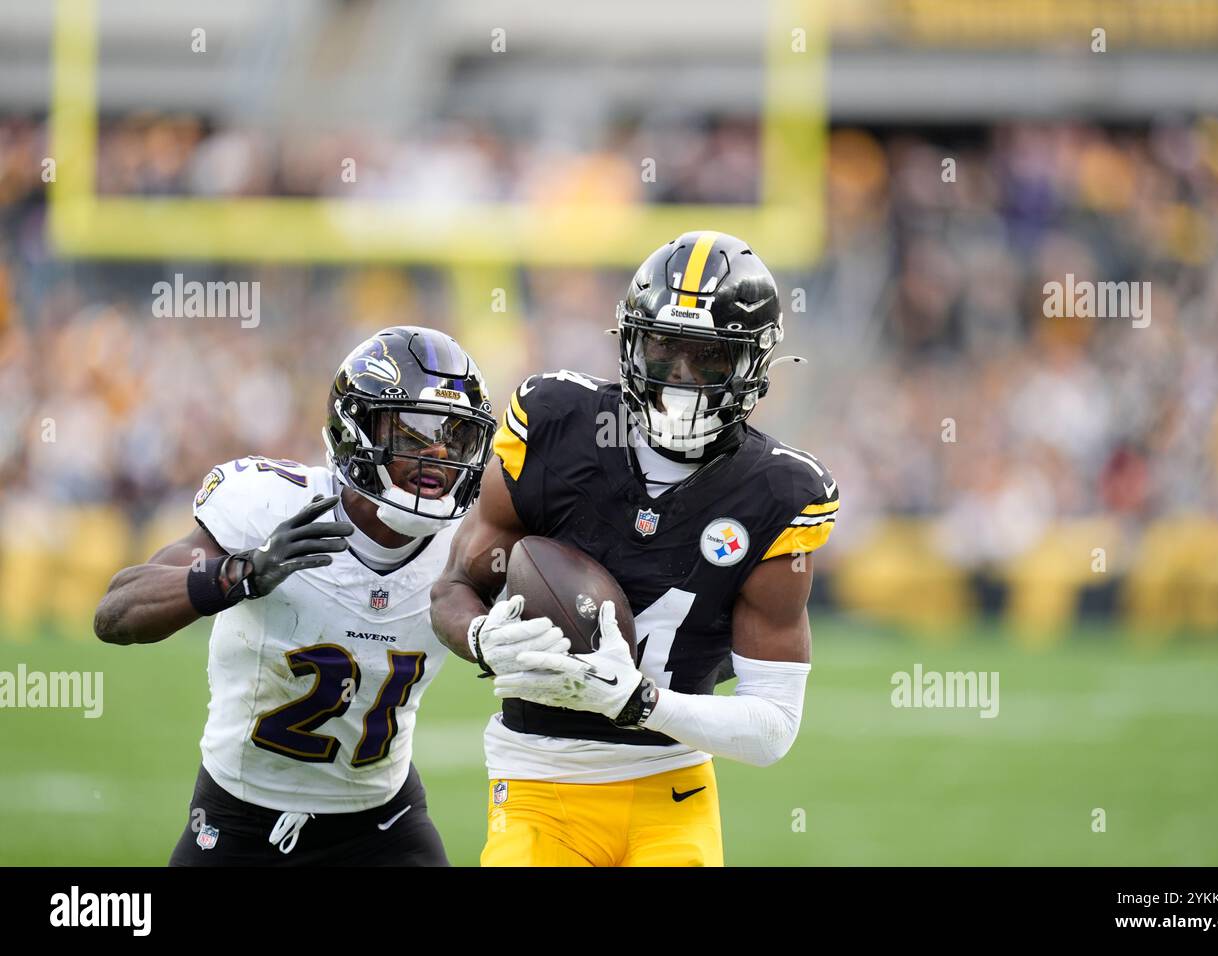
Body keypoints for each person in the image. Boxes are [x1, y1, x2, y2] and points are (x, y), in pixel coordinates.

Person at [430, 231, 839, 866]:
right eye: (664, 348)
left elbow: (773, 728)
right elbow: (454, 589)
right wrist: (482, 637)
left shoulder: (778, 493)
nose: (680, 378)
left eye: (709, 359)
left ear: (754, 363)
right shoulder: (555, 425)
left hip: (670, 786)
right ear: (629, 343)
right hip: (539, 777)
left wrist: (643, 702)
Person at [94, 326, 502, 866]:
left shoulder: (468, 545)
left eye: (458, 437)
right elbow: (116, 613)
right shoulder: (267, 505)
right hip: (239, 817)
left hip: (383, 823)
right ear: (355, 430)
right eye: (412, 434)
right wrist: (237, 574)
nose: (439, 455)